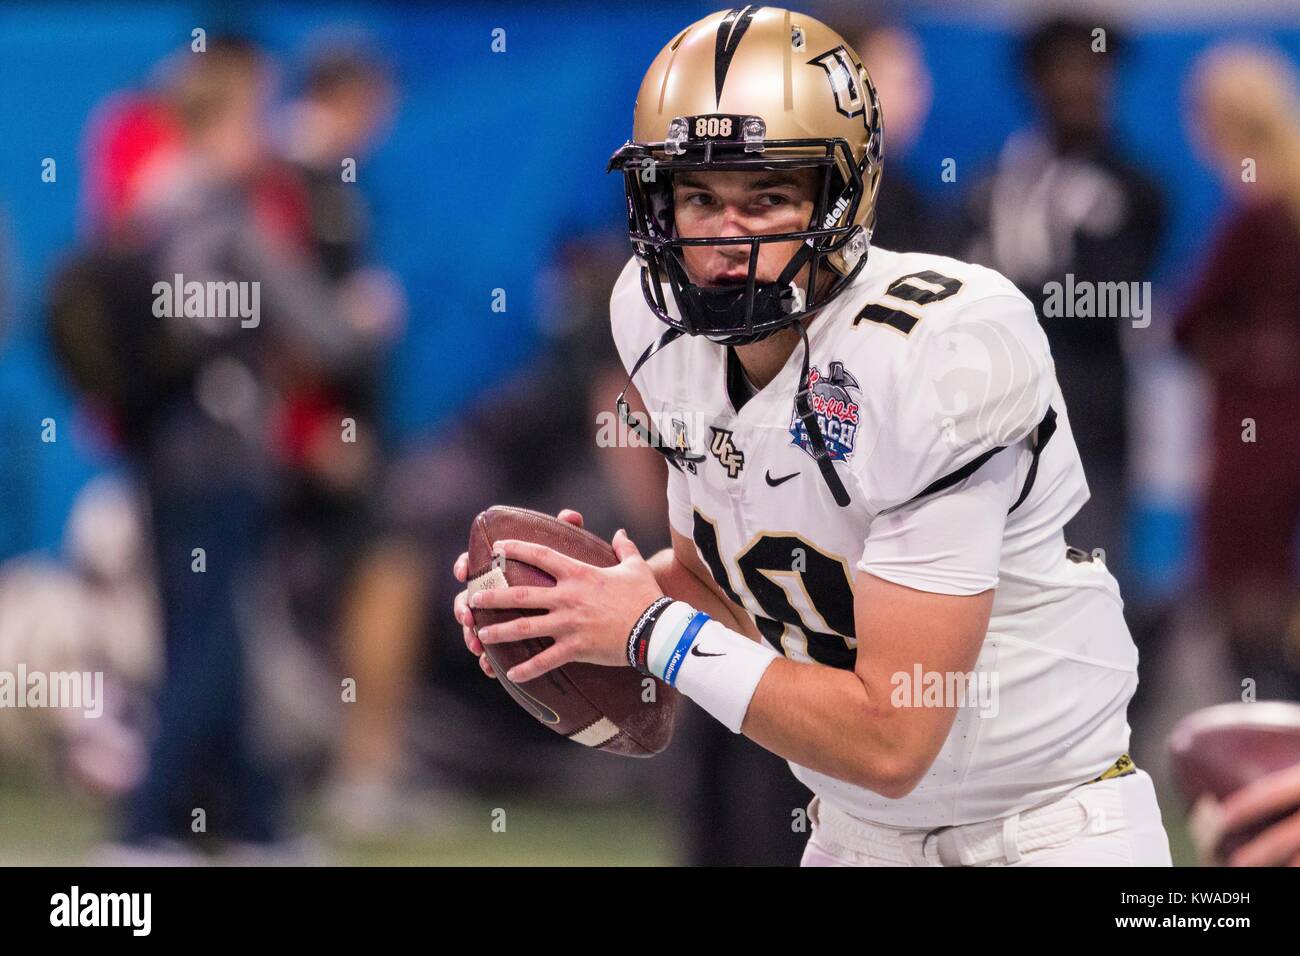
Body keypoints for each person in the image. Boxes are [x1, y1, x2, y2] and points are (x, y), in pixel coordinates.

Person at [453, 7, 1170, 866]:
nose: (726, 236)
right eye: (698, 198)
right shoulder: (650, 317)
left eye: (767, 198)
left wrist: (648, 631)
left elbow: (894, 739)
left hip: (1043, 828)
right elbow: (725, 582)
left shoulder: (942, 346)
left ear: (843, 198)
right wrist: (574, 606)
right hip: (853, 836)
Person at [1176, 43, 1300, 701]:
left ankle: (1268, 732)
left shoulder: (1254, 215)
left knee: (1247, 586)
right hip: (1273, 418)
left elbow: (1188, 322)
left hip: (1257, 425)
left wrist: (1228, 347)